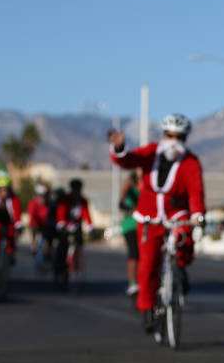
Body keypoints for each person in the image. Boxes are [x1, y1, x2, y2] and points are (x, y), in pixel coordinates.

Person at [107, 114, 206, 332]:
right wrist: (120, 148)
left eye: (179, 137)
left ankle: (180, 270)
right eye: (170, 135)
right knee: (148, 264)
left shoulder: (191, 162)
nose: (174, 140)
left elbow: (196, 193)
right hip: (149, 217)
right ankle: (147, 307)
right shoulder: (152, 152)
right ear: (163, 135)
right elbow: (127, 160)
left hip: (176, 214)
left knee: (185, 238)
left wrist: (198, 215)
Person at [53, 178, 93, 279]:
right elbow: (60, 213)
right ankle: (60, 266)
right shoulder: (65, 199)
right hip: (65, 226)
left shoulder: (83, 201)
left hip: (77, 227)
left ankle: (76, 262)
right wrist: (63, 224)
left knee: (79, 242)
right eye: (75, 189)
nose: (77, 192)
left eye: (78, 190)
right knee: (63, 245)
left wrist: (90, 226)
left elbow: (86, 214)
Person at [118, 169, 142, 296]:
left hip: (146, 224)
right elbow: (121, 200)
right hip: (131, 224)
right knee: (134, 253)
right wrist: (126, 204)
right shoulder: (130, 182)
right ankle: (133, 282)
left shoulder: (151, 180)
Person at [26, 183, 50, 259]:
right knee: (34, 231)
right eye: (40, 196)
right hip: (35, 224)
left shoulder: (48, 204)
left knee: (46, 238)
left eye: (44, 196)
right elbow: (31, 214)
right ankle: (33, 245)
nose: (42, 199)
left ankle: (46, 253)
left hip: (44, 225)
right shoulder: (33, 203)